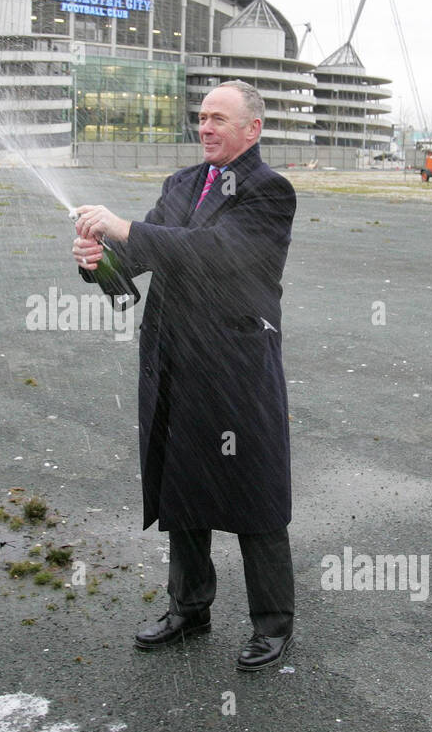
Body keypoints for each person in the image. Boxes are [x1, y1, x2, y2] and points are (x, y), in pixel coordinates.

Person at [72, 80, 297, 671]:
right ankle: (189, 608)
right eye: (202, 118)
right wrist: (100, 263)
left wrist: (124, 229)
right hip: (176, 360)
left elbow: (216, 254)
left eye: (220, 119)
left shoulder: (270, 193)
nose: (206, 128)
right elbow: (142, 262)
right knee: (183, 487)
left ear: (253, 129)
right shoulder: (180, 184)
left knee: (256, 495)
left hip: (236, 367)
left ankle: (273, 623)